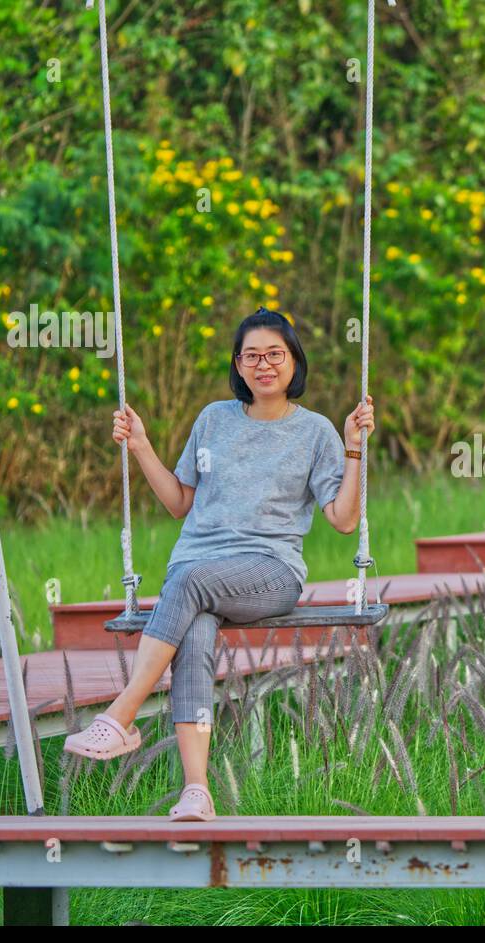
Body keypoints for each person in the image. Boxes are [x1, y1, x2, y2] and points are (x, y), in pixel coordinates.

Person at [64, 307, 376, 820]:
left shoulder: (316, 431)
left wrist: (353, 448)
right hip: (198, 574)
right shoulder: (212, 419)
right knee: (197, 631)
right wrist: (141, 446)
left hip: (269, 570)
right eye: (251, 356)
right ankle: (197, 791)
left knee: (189, 583)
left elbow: (343, 520)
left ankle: (122, 714)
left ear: (294, 361)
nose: (263, 365)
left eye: (275, 354)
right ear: (238, 364)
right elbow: (180, 502)